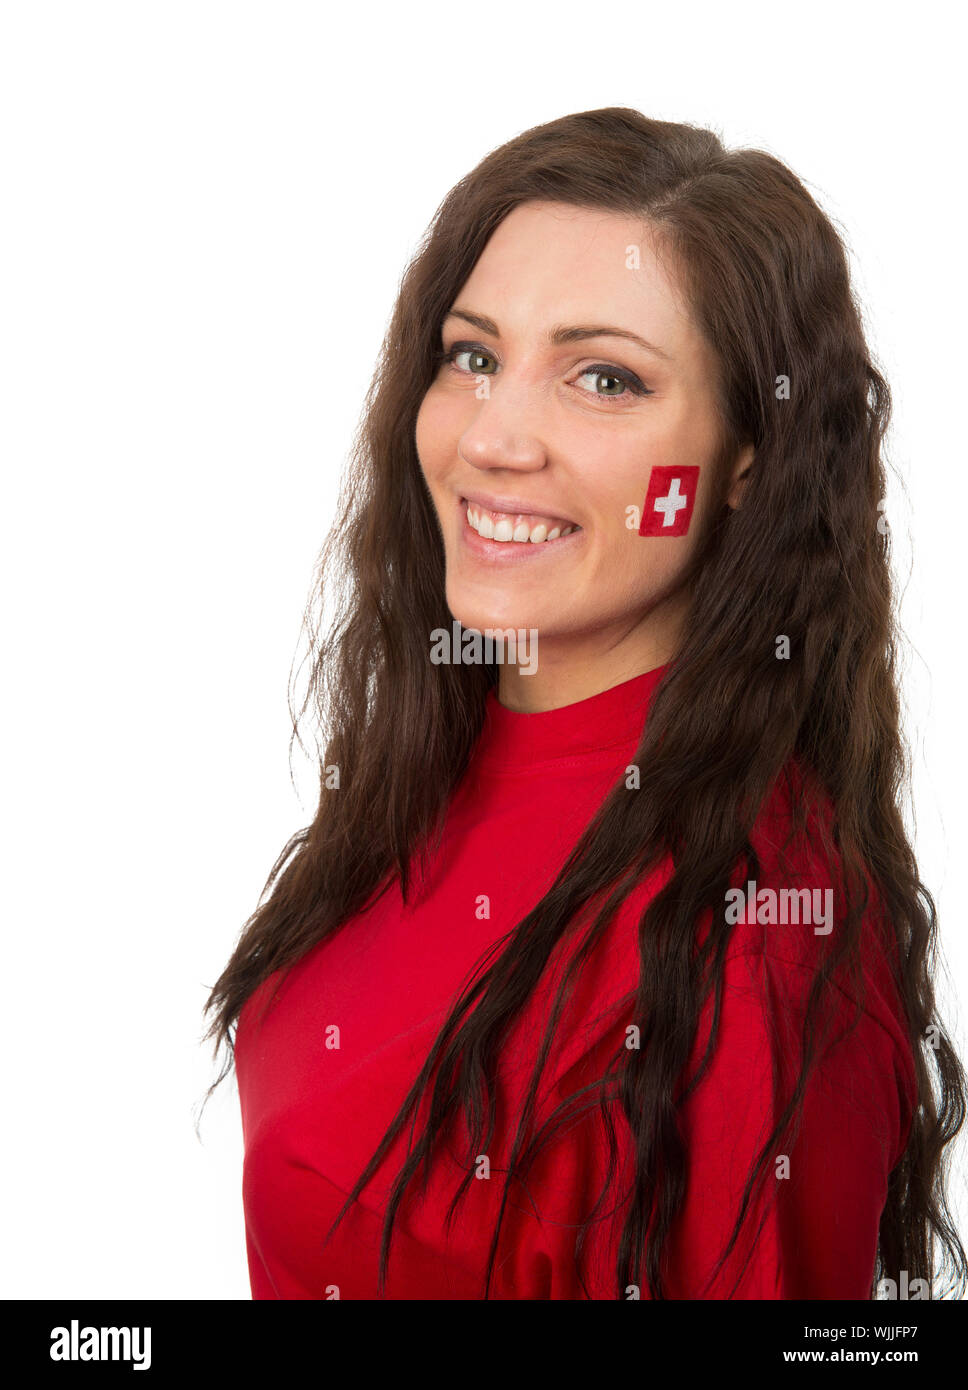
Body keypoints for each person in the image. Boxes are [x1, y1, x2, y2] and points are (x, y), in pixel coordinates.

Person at [201, 107, 966, 1300]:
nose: (495, 436)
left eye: (603, 378)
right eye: (472, 355)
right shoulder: (434, 761)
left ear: (742, 467)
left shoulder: (745, 939)